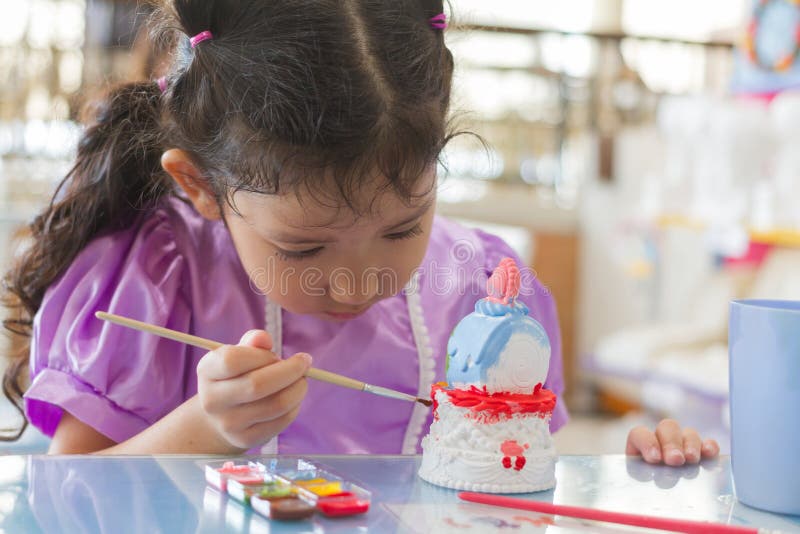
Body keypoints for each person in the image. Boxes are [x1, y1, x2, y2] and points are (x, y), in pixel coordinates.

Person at [1, 0, 718, 464]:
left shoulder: (485, 294)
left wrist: (634, 471)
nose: (358, 281)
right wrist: (206, 427)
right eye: (304, 247)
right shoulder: (157, 277)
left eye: (404, 227)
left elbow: (515, 486)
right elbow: (68, 497)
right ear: (200, 185)